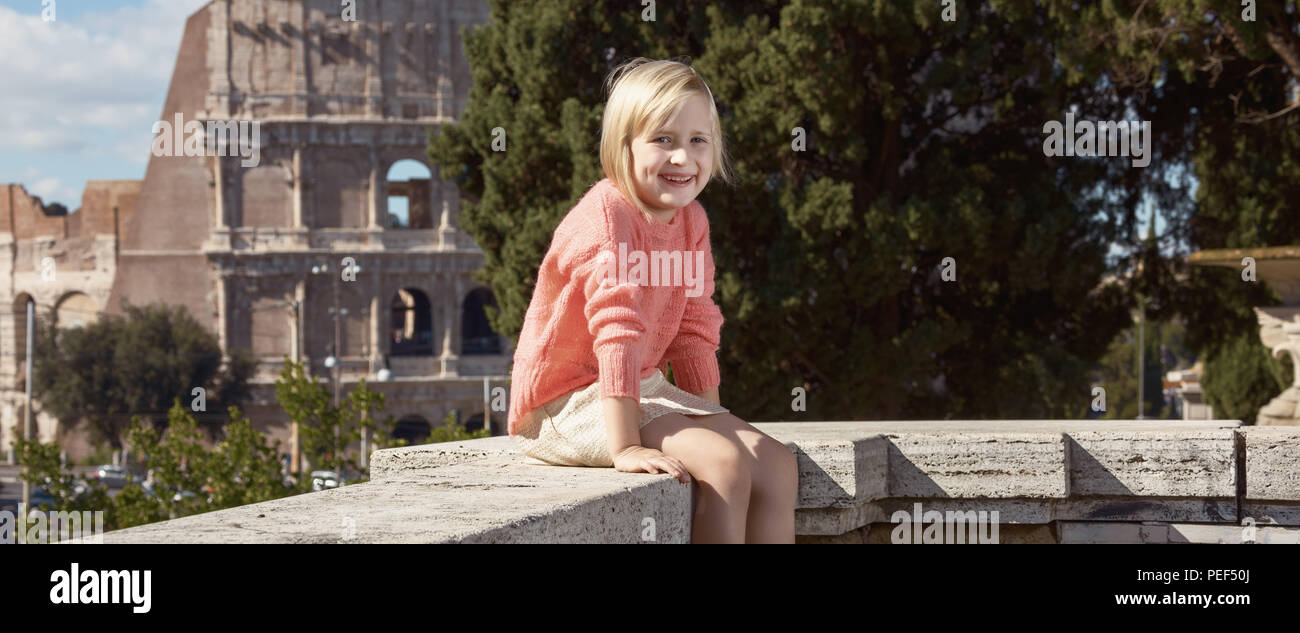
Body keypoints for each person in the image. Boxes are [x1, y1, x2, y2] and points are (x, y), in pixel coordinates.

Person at [507, 57, 798, 543]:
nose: (683, 158)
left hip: (639, 388)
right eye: (663, 140)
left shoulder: (692, 222)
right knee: (724, 467)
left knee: (775, 464)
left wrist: (710, 419)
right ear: (624, 146)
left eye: (697, 141)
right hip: (568, 401)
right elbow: (616, 332)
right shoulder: (607, 215)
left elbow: (694, 330)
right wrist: (625, 449)